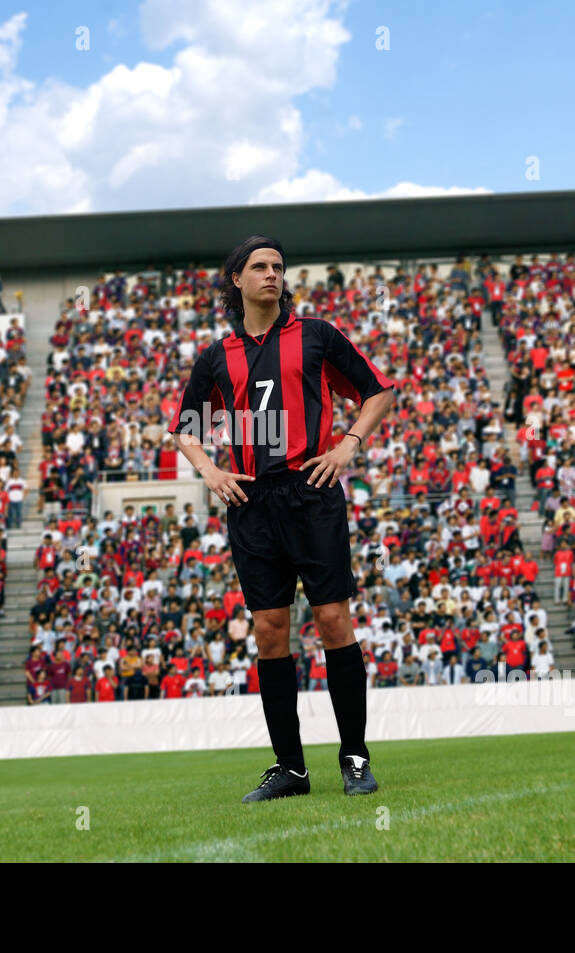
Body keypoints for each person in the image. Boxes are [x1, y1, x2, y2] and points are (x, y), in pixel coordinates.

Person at [169, 235, 395, 802]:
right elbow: (185, 429)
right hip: (251, 502)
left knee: (333, 620)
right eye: (259, 267)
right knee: (270, 632)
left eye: (278, 267)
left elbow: (379, 391)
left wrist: (348, 444)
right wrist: (211, 471)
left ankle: (355, 756)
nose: (272, 274)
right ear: (236, 281)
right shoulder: (218, 356)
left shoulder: (316, 335)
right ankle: (290, 769)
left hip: (312, 491)